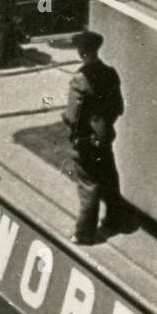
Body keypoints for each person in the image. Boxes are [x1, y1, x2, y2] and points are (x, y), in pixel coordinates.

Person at [61, 30, 125, 245]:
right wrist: (104, 126)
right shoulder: (110, 73)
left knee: (88, 183)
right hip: (105, 135)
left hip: (85, 140)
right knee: (108, 175)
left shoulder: (80, 79)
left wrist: (71, 127)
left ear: (81, 52)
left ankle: (84, 233)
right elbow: (118, 107)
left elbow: (73, 115)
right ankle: (116, 219)